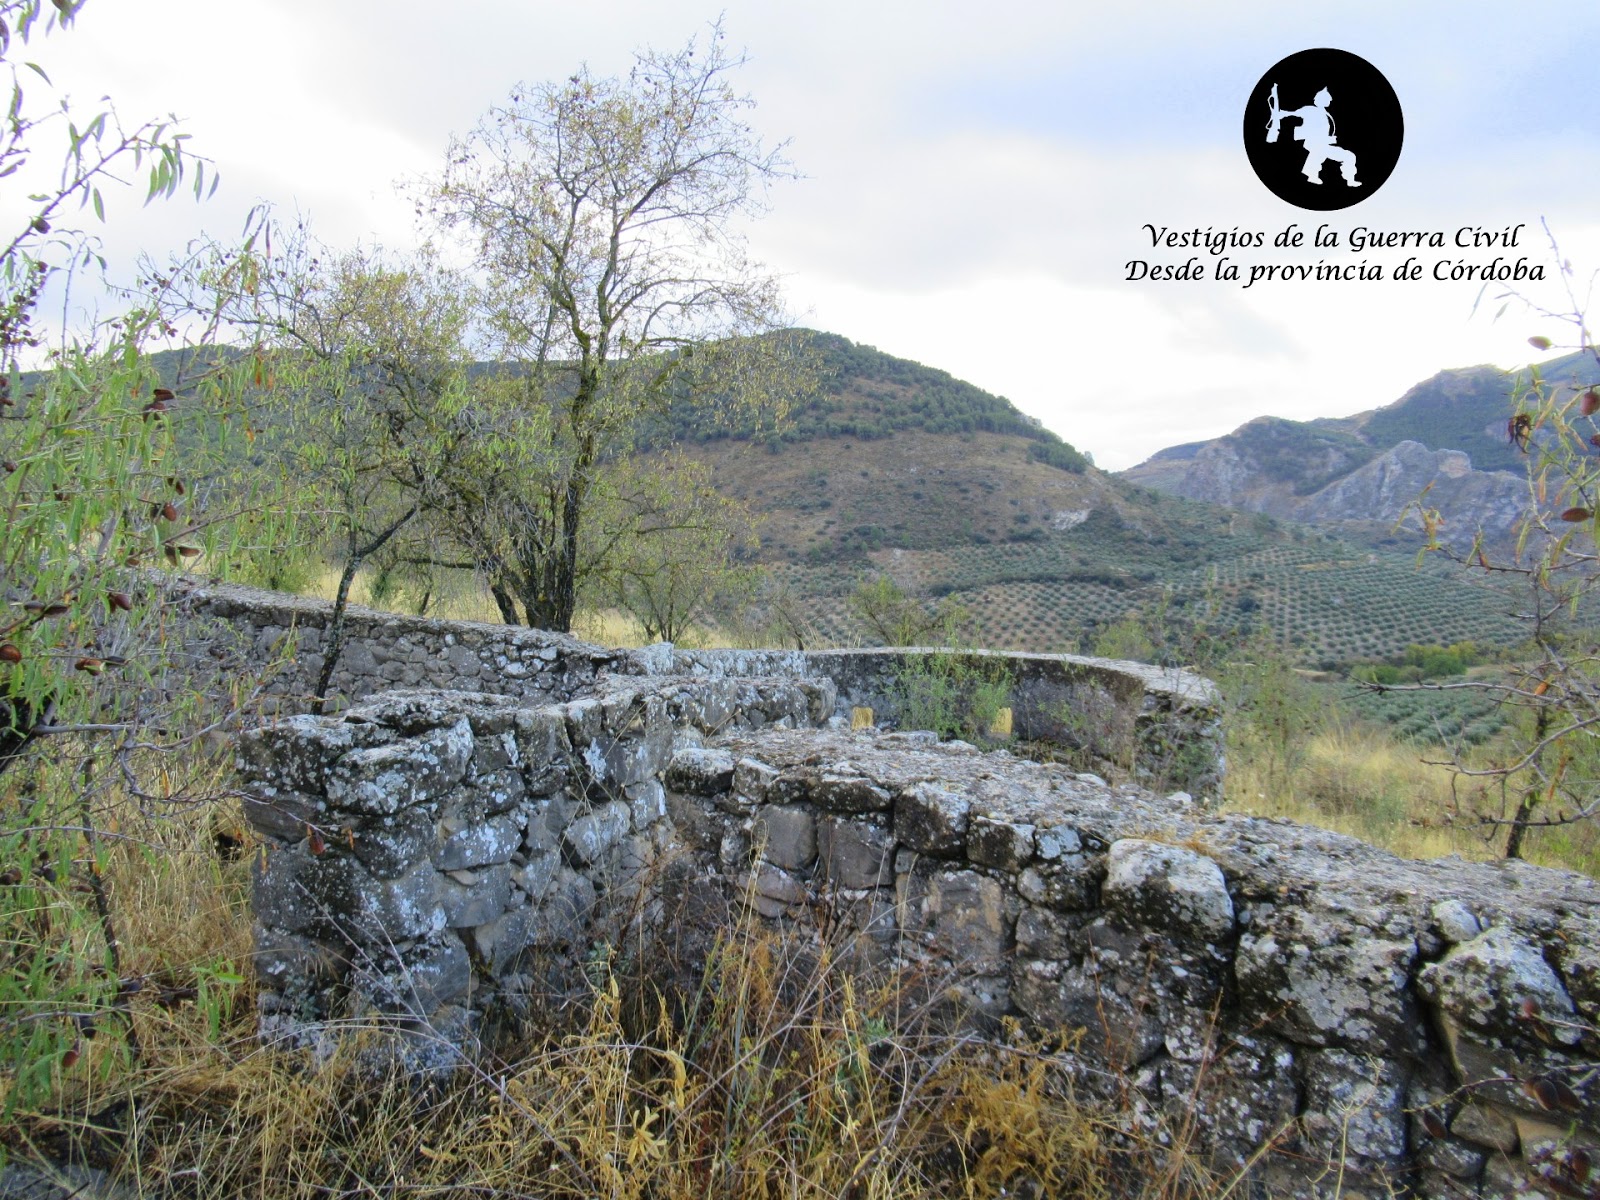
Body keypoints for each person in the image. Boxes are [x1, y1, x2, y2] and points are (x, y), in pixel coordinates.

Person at [1277, 87, 1359, 186]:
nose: (1330, 101)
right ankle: (1312, 175)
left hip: (1323, 144)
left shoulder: (1325, 113)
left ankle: (1349, 180)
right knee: (1318, 152)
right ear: (1321, 100)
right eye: (1328, 99)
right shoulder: (1310, 109)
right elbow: (1295, 113)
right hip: (1315, 143)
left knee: (1349, 156)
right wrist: (1282, 114)